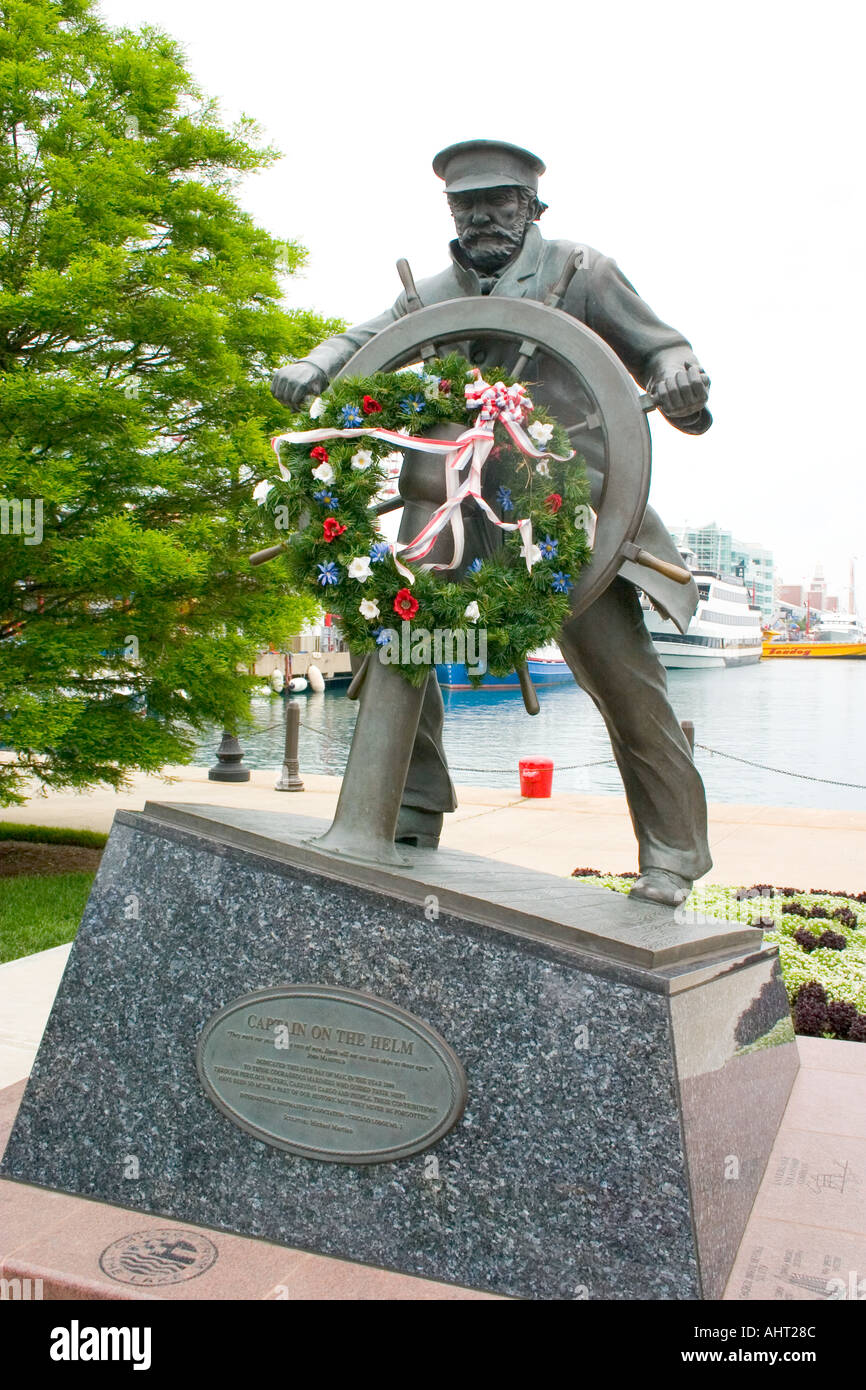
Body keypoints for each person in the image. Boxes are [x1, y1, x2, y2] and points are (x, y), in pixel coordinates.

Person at [271, 140, 713, 906]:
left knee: (622, 678)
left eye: (497, 203)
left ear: (532, 207)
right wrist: (317, 363)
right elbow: (362, 342)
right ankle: (406, 806)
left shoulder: (585, 272)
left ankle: (673, 853)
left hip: (572, 514)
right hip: (451, 501)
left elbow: (662, 349)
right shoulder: (436, 289)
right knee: (395, 634)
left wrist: (677, 372)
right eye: (465, 205)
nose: (480, 218)